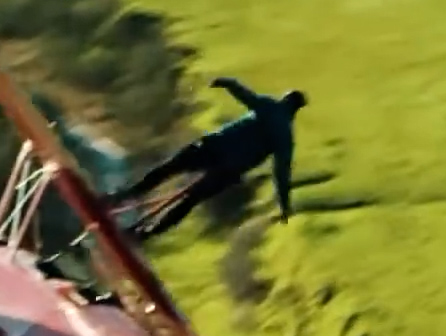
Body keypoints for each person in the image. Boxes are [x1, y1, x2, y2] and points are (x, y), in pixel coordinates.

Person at [116, 78, 308, 240]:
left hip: (213, 147)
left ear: (285, 98)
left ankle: (127, 196)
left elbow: (245, 95)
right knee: (190, 200)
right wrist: (284, 206)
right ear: (296, 111)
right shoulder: (286, 137)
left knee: (170, 168)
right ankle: (144, 233)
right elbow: (281, 173)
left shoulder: (268, 106)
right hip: (229, 169)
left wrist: (227, 82)